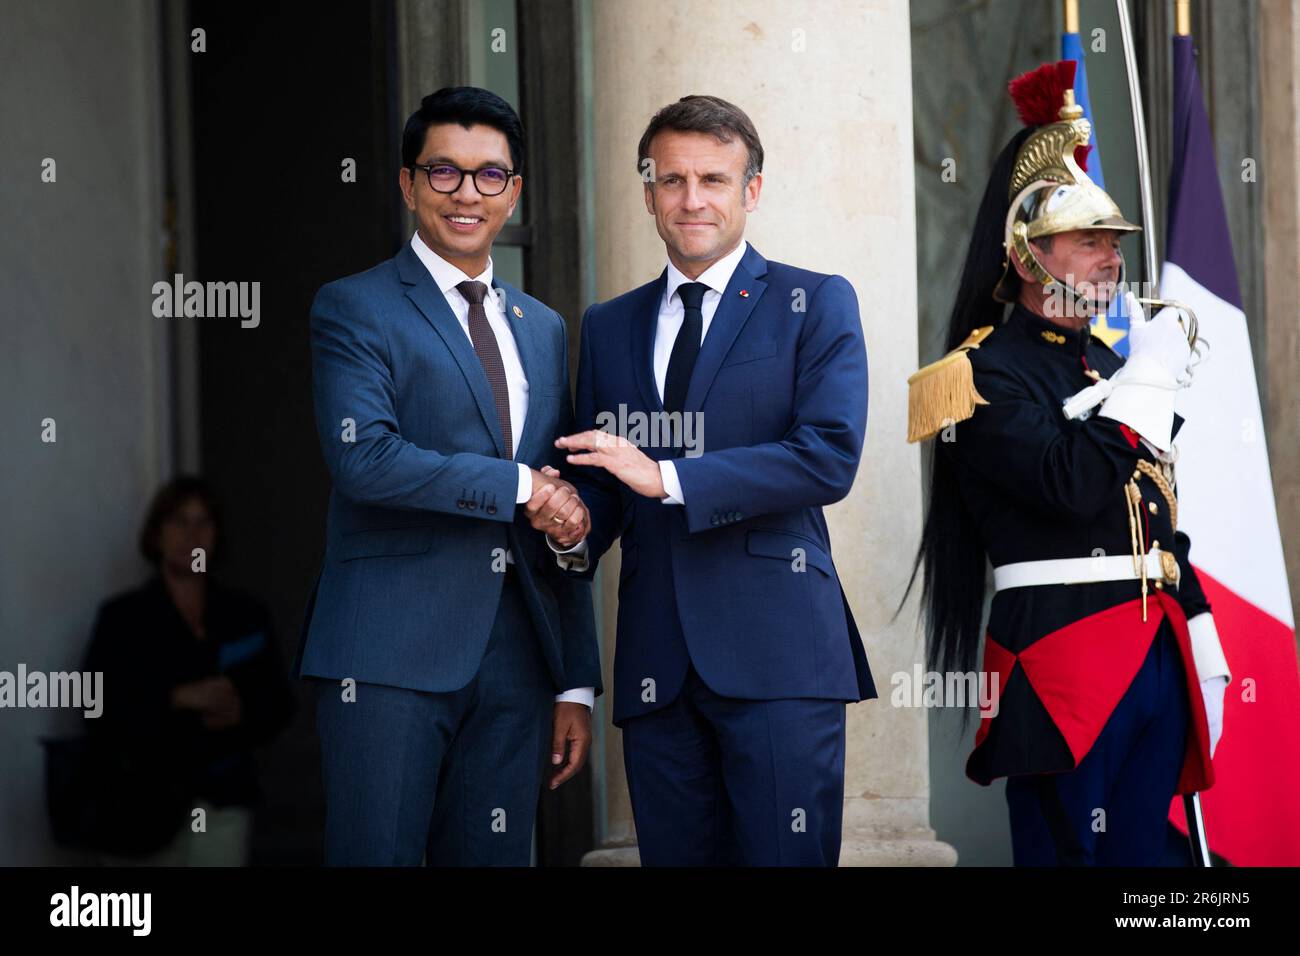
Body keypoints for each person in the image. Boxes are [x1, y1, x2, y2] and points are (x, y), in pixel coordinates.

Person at [526, 94, 875, 866]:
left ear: (751, 190)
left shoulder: (813, 301)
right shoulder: (608, 324)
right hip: (657, 665)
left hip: (780, 659)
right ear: (647, 191)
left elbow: (828, 455)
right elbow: (612, 485)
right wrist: (574, 516)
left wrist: (669, 476)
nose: (692, 200)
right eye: (673, 180)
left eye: (714, 179)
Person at [903, 60, 1230, 866]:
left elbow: (1155, 513)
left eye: (1112, 243)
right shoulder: (983, 373)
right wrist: (1146, 379)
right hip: (1062, 660)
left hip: (1155, 650)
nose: (1109, 259)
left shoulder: (1111, 367)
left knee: (1152, 869)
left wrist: (1198, 624)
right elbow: (1068, 485)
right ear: (1025, 256)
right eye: (1087, 241)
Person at [292, 87, 601, 866]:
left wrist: (573, 680)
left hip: (517, 664)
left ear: (515, 191)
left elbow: (564, 497)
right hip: (387, 654)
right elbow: (365, 457)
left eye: (490, 175)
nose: (468, 193)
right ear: (407, 184)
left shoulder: (543, 327)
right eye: (444, 172)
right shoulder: (354, 307)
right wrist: (522, 487)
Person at [82, 476, 295, 866]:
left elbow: (279, 705)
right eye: (179, 521)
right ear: (156, 533)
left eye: (203, 522)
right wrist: (174, 697)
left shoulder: (245, 615)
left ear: (217, 535)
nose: (191, 534)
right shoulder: (123, 619)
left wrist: (241, 712)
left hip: (222, 802)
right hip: (139, 808)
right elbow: (95, 708)